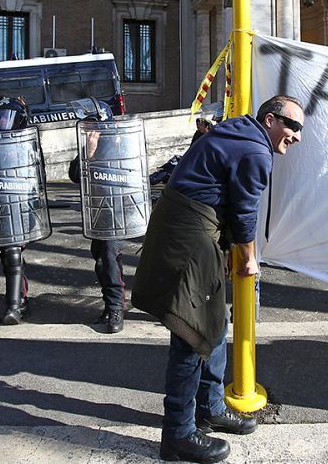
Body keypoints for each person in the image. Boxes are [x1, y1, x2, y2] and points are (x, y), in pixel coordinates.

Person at [132, 95, 305, 463]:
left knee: (215, 323)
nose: (297, 136)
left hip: (191, 227)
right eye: (293, 125)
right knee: (191, 331)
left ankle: (208, 406)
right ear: (271, 120)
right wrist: (246, 258)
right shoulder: (256, 152)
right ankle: (178, 435)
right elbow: (244, 213)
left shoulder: (238, 134)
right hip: (188, 233)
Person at [68, 102, 127, 334]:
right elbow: (74, 175)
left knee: (111, 258)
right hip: (96, 212)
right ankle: (108, 305)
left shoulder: (118, 144)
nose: (90, 130)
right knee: (101, 260)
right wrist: (87, 152)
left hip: (116, 211)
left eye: (94, 125)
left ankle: (116, 309)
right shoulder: (88, 147)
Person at [0, 97, 34, 325]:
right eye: (1, 117)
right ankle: (21, 298)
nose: (4, 122)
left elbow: (35, 179)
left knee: (13, 253)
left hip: (20, 206)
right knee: (7, 256)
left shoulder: (26, 144)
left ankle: (14, 307)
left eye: (8, 118)